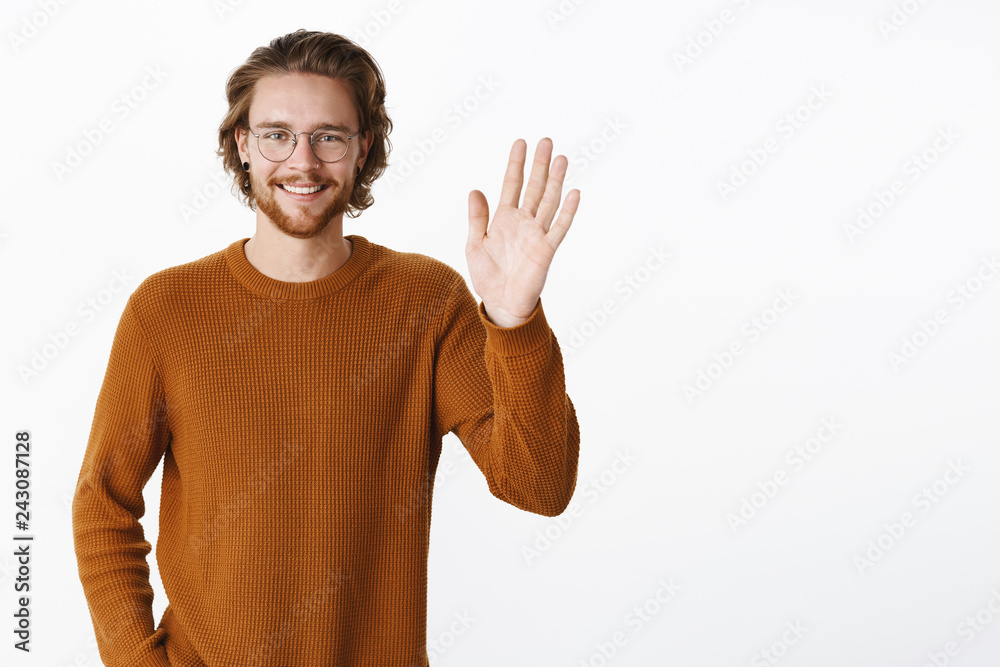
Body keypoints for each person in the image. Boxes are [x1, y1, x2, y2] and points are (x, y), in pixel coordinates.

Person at [72, 29, 581, 667]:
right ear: (243, 146)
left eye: (328, 137)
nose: (302, 163)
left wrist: (514, 318)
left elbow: (539, 484)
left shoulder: (426, 301)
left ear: (363, 147)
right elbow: (102, 504)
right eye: (276, 134)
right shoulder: (166, 309)